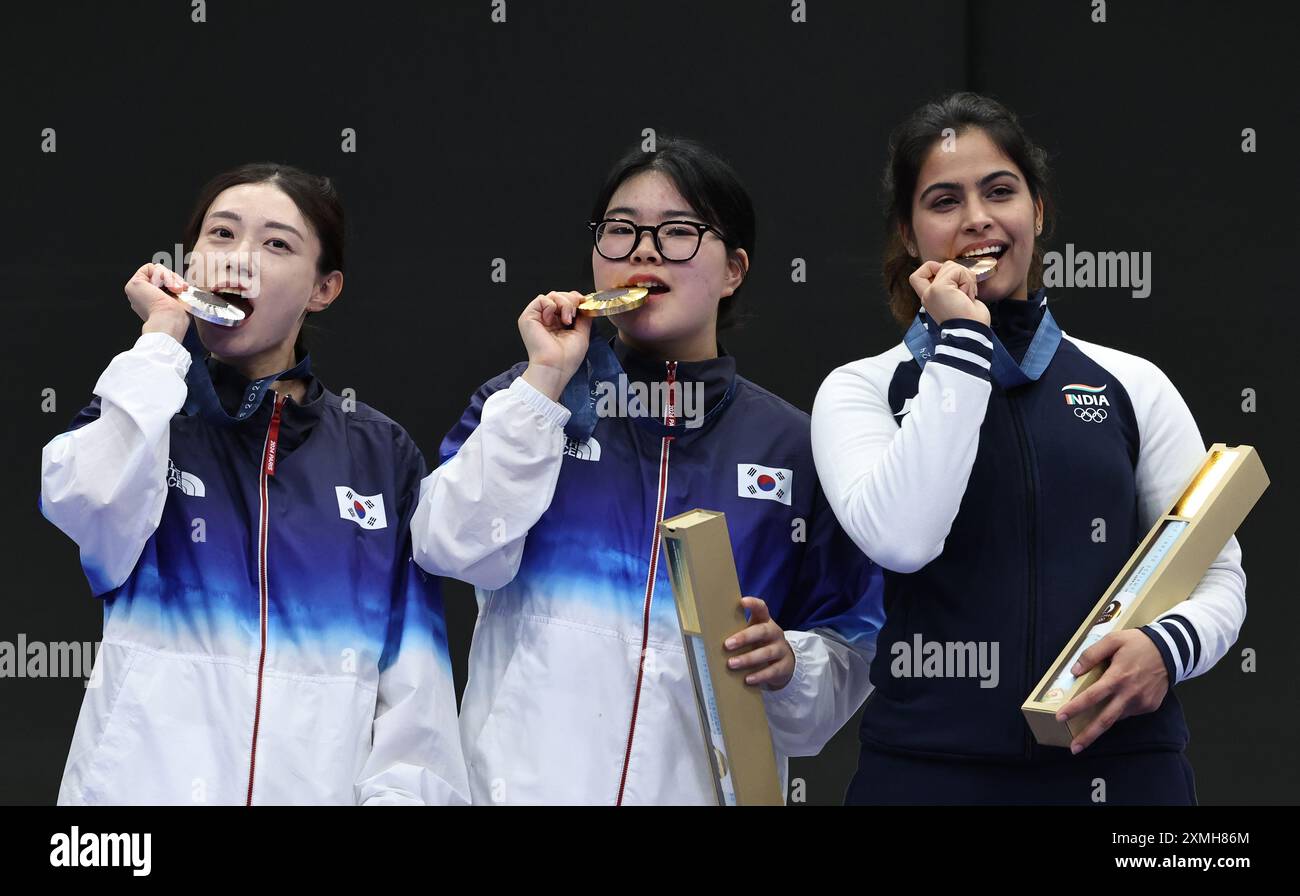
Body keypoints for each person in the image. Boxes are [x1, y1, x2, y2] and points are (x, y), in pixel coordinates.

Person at [411, 137, 884, 804]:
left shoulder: (795, 449)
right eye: (621, 230)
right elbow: (447, 548)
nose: (644, 249)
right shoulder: (525, 401)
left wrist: (791, 667)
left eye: (679, 231)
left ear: (734, 270)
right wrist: (545, 380)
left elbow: (834, 683)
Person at [811, 93, 1246, 805]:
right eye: (944, 200)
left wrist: (1168, 648)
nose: (977, 217)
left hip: (1124, 772)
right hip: (925, 776)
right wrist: (959, 344)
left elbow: (1216, 572)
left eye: (1000, 191)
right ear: (909, 232)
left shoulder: (1134, 383)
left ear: (1037, 212)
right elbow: (905, 539)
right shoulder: (861, 390)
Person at [40, 163, 468, 805]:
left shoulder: (381, 455)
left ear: (324, 288)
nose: (239, 259)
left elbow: (415, 700)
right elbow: (84, 497)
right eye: (221, 235)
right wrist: (160, 335)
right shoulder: (149, 413)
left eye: (276, 244)